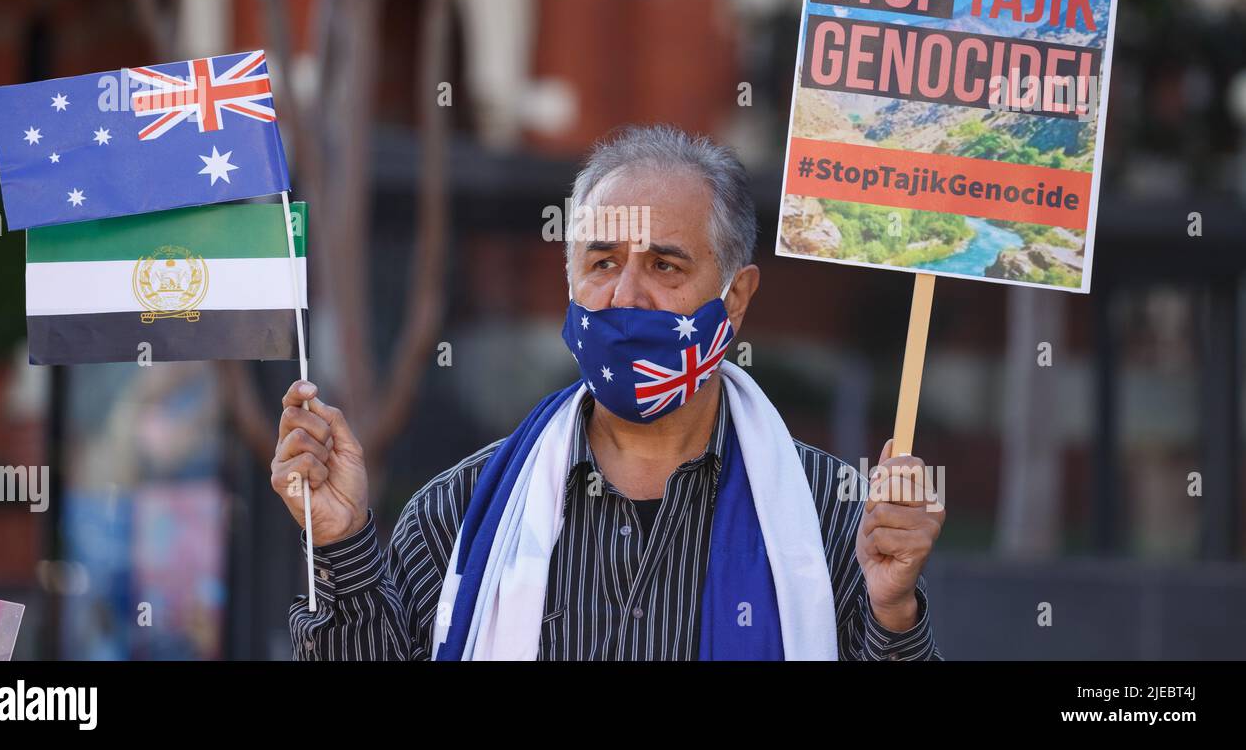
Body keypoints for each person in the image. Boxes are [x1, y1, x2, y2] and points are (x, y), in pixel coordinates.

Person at [271, 124, 945, 660]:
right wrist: (343, 543)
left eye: (663, 265)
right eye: (601, 263)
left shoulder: (834, 519)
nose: (625, 297)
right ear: (570, 281)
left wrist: (892, 611)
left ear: (735, 298)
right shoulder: (460, 513)